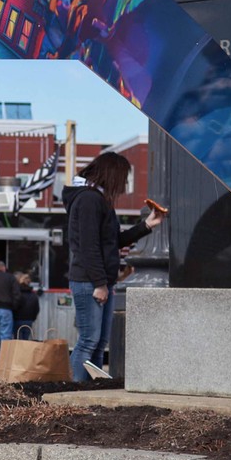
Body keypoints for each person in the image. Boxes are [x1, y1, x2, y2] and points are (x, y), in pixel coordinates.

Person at [64, 154, 162, 381]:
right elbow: (88, 246)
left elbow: (112, 241)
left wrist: (147, 225)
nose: (124, 183)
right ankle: (76, 389)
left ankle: (91, 389)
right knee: (89, 341)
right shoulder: (89, 200)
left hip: (98, 281)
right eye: (123, 177)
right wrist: (100, 284)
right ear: (111, 174)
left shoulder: (97, 199)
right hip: (90, 282)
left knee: (98, 343)